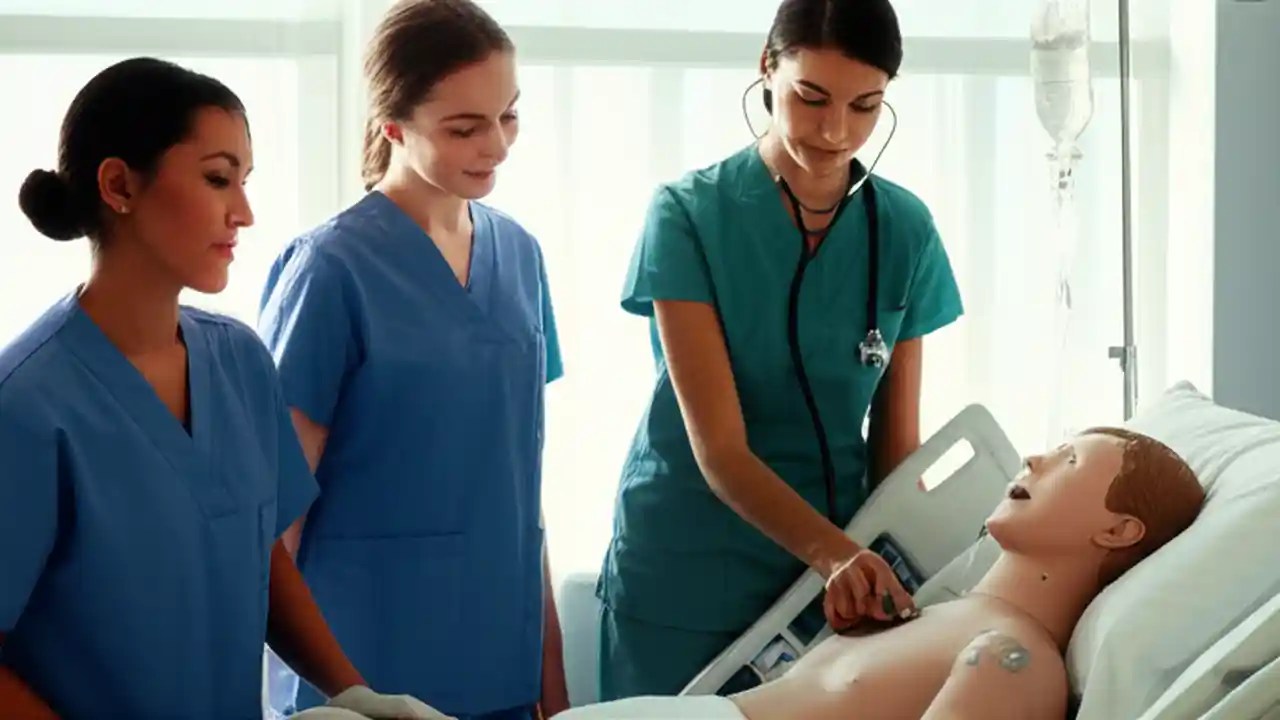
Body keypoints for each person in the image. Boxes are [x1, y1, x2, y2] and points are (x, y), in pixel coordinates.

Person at [1, 58, 449, 720]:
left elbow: (256, 554)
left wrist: (353, 693)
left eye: (245, 181)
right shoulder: (27, 406)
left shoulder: (239, 361)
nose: (243, 212)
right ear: (119, 185)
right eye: (218, 179)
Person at [596, 0, 965, 698]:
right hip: (689, 571)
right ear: (767, 69)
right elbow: (721, 452)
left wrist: (898, 567)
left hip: (837, 588)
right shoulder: (686, 215)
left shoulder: (905, 230)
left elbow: (896, 447)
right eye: (810, 96)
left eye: (865, 106)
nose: (835, 130)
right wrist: (837, 555)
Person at [256, 1, 568, 718]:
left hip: (500, 663)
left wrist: (550, 679)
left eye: (509, 116)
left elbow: (520, 487)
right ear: (393, 124)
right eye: (465, 127)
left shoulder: (519, 255)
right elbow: (272, 519)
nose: (497, 145)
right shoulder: (331, 270)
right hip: (358, 668)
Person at [567, 427, 1206, 719]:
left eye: (1069, 460)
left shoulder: (1013, 662)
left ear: (1119, 531)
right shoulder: (951, 617)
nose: (1036, 456)